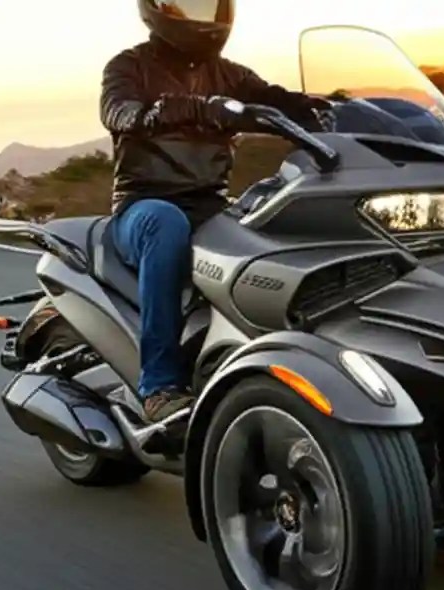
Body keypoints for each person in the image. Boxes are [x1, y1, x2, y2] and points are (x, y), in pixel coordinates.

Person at [100, 0, 332, 424]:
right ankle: (159, 386)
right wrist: (181, 108)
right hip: (143, 205)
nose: (202, 16)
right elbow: (117, 111)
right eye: (190, 6)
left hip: (210, 204)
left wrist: (328, 107)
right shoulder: (128, 66)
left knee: (273, 226)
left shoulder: (231, 75)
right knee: (166, 225)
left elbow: (273, 99)